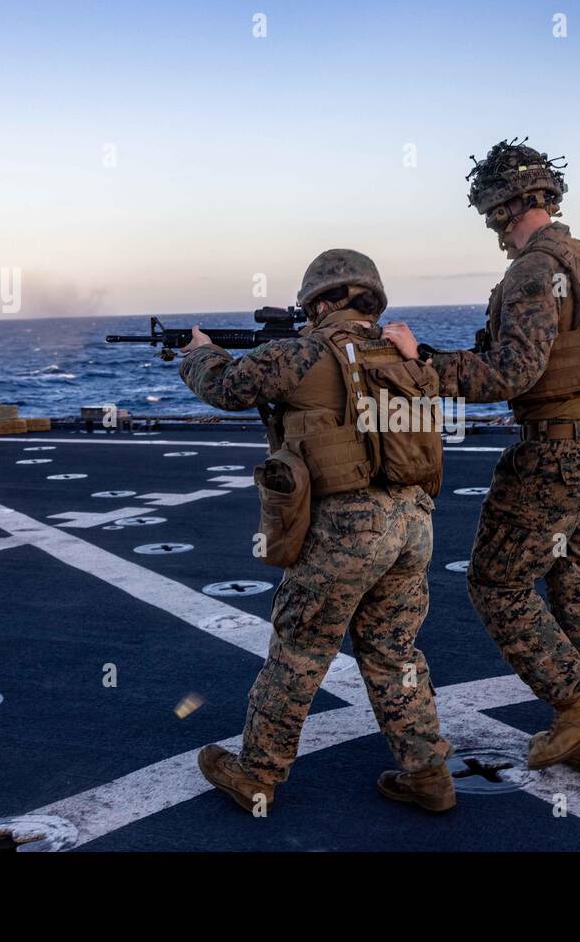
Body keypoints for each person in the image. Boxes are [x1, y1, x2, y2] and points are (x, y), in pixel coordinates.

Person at [385, 139, 580, 778]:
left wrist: (420, 362)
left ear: (503, 208)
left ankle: (578, 706)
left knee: (498, 582)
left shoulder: (534, 271)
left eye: (492, 219)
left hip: (556, 455)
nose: (497, 235)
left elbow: (514, 369)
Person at [179, 249, 455, 814]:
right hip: (413, 524)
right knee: (395, 651)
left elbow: (227, 389)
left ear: (323, 302)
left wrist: (198, 355)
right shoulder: (406, 357)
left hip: (347, 530)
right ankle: (428, 772)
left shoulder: (302, 352)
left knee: (299, 650)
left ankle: (256, 773)